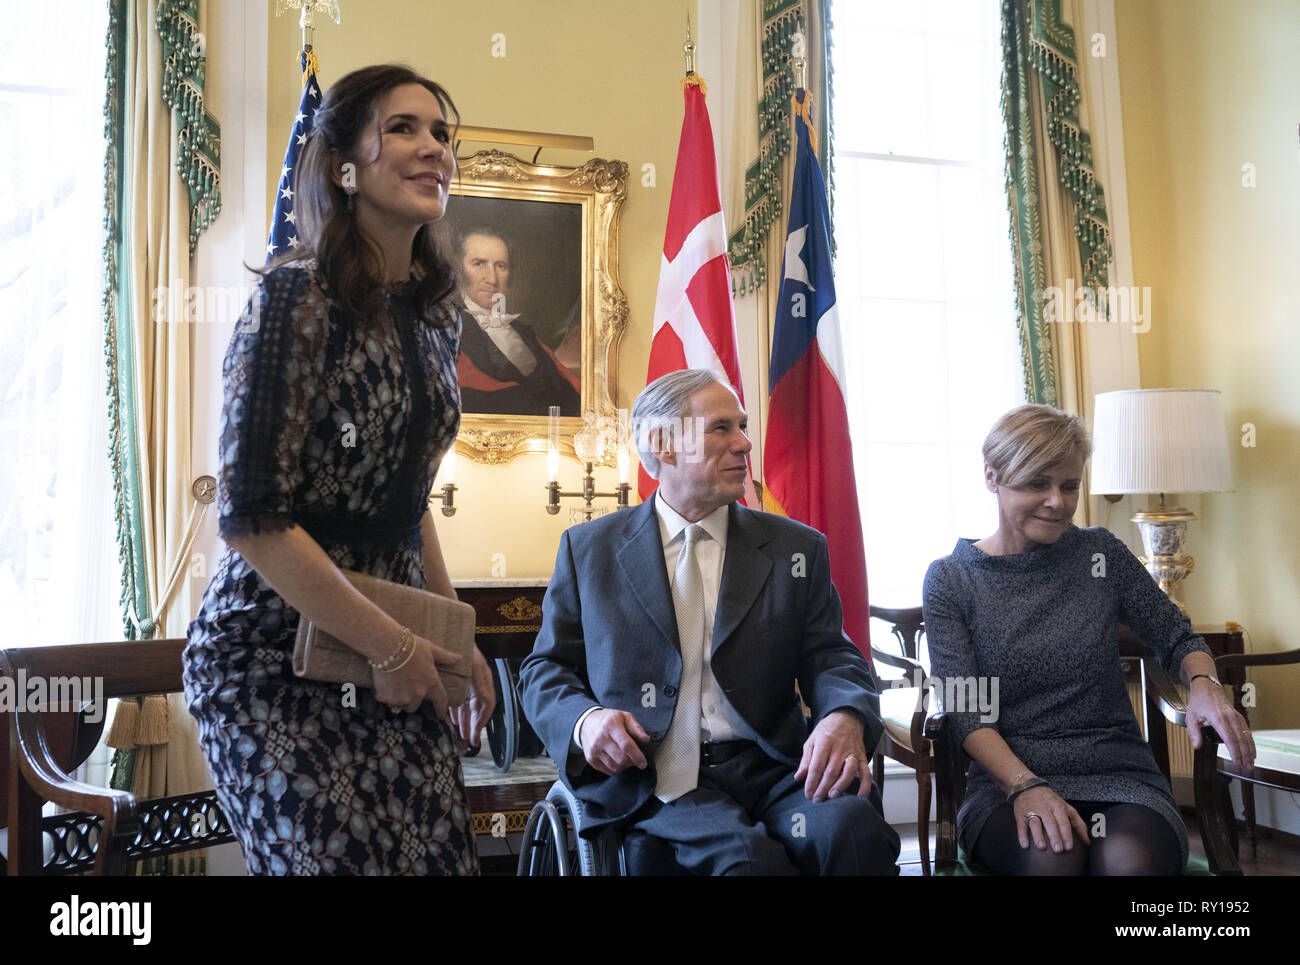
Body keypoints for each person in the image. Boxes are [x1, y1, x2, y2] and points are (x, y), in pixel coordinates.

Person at [184, 64, 495, 876]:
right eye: (403, 129)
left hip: (398, 642)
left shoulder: (436, 313)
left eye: (441, 133)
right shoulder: (295, 298)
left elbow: (408, 499)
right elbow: (253, 518)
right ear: (343, 165)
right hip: (272, 655)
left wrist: (453, 638)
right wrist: (392, 647)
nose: (433, 148)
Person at [519, 368, 900, 875]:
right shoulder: (591, 550)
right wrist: (585, 722)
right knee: (748, 863)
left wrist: (844, 715)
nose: (744, 444)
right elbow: (545, 669)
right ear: (664, 445)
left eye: (742, 426)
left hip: (774, 767)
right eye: (722, 428)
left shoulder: (795, 548)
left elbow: (832, 654)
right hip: (659, 775)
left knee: (854, 833)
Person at [923, 404, 1255, 875]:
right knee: (1052, 860)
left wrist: (1205, 686)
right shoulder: (951, 579)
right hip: (1005, 783)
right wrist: (1024, 785)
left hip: (1121, 777)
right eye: (1038, 483)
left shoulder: (1100, 554)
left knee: (1128, 862)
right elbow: (965, 710)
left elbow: (1178, 638)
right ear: (992, 477)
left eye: (1069, 485)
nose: (1057, 501)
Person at [455, 228, 581, 416]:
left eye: (501, 266)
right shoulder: (448, 327)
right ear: (460, 270)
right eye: (479, 264)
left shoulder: (523, 332)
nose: (492, 278)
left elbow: (565, 387)